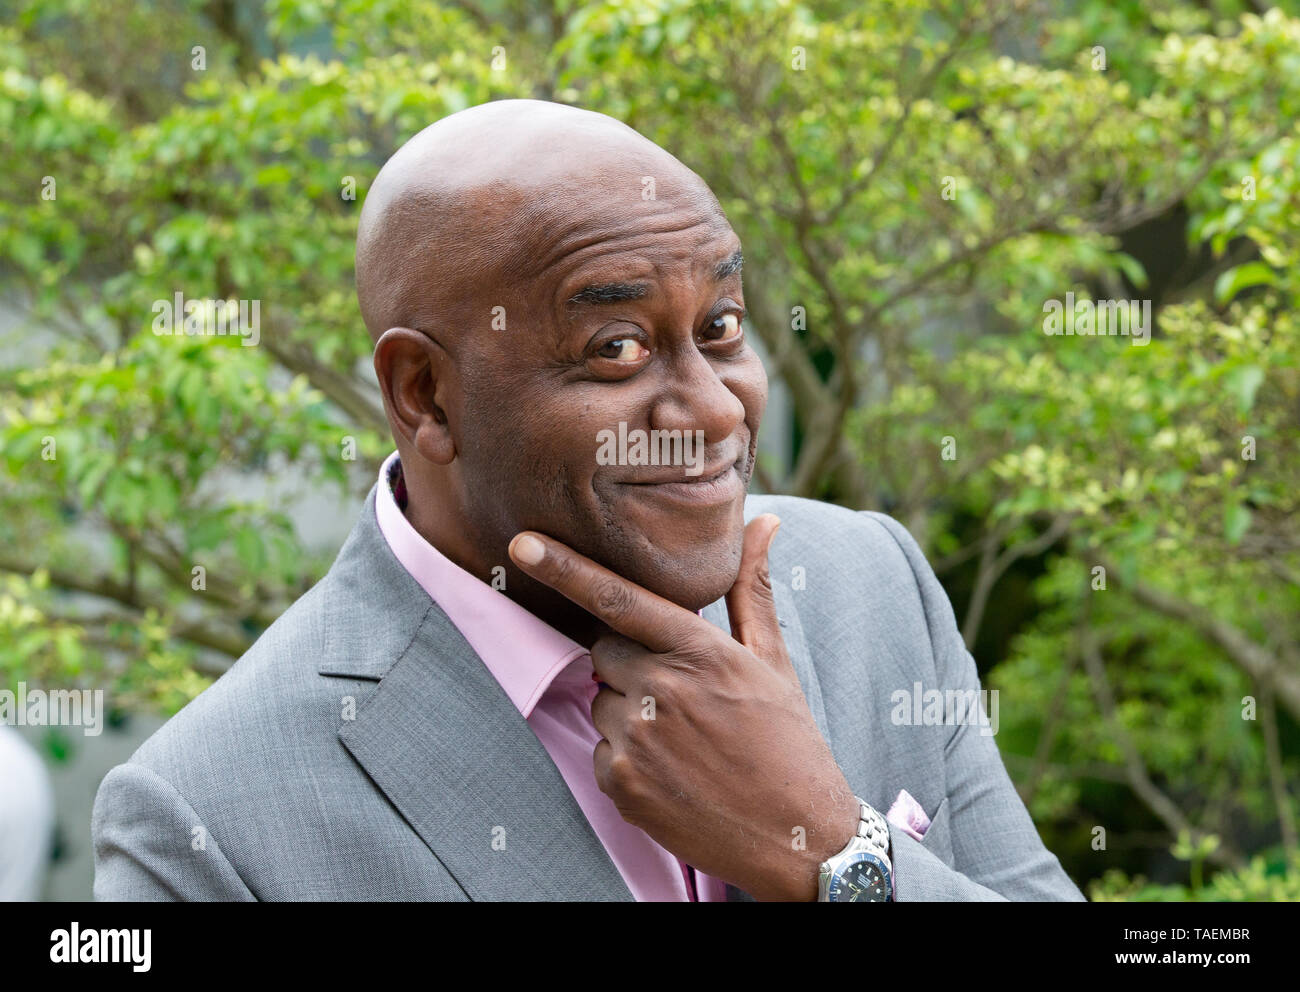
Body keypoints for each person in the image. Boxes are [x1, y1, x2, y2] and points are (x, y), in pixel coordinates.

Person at [93, 99, 1084, 901]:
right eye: (617, 347)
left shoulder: (868, 583)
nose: (709, 406)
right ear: (425, 396)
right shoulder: (206, 822)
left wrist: (834, 855)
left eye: (722, 325)